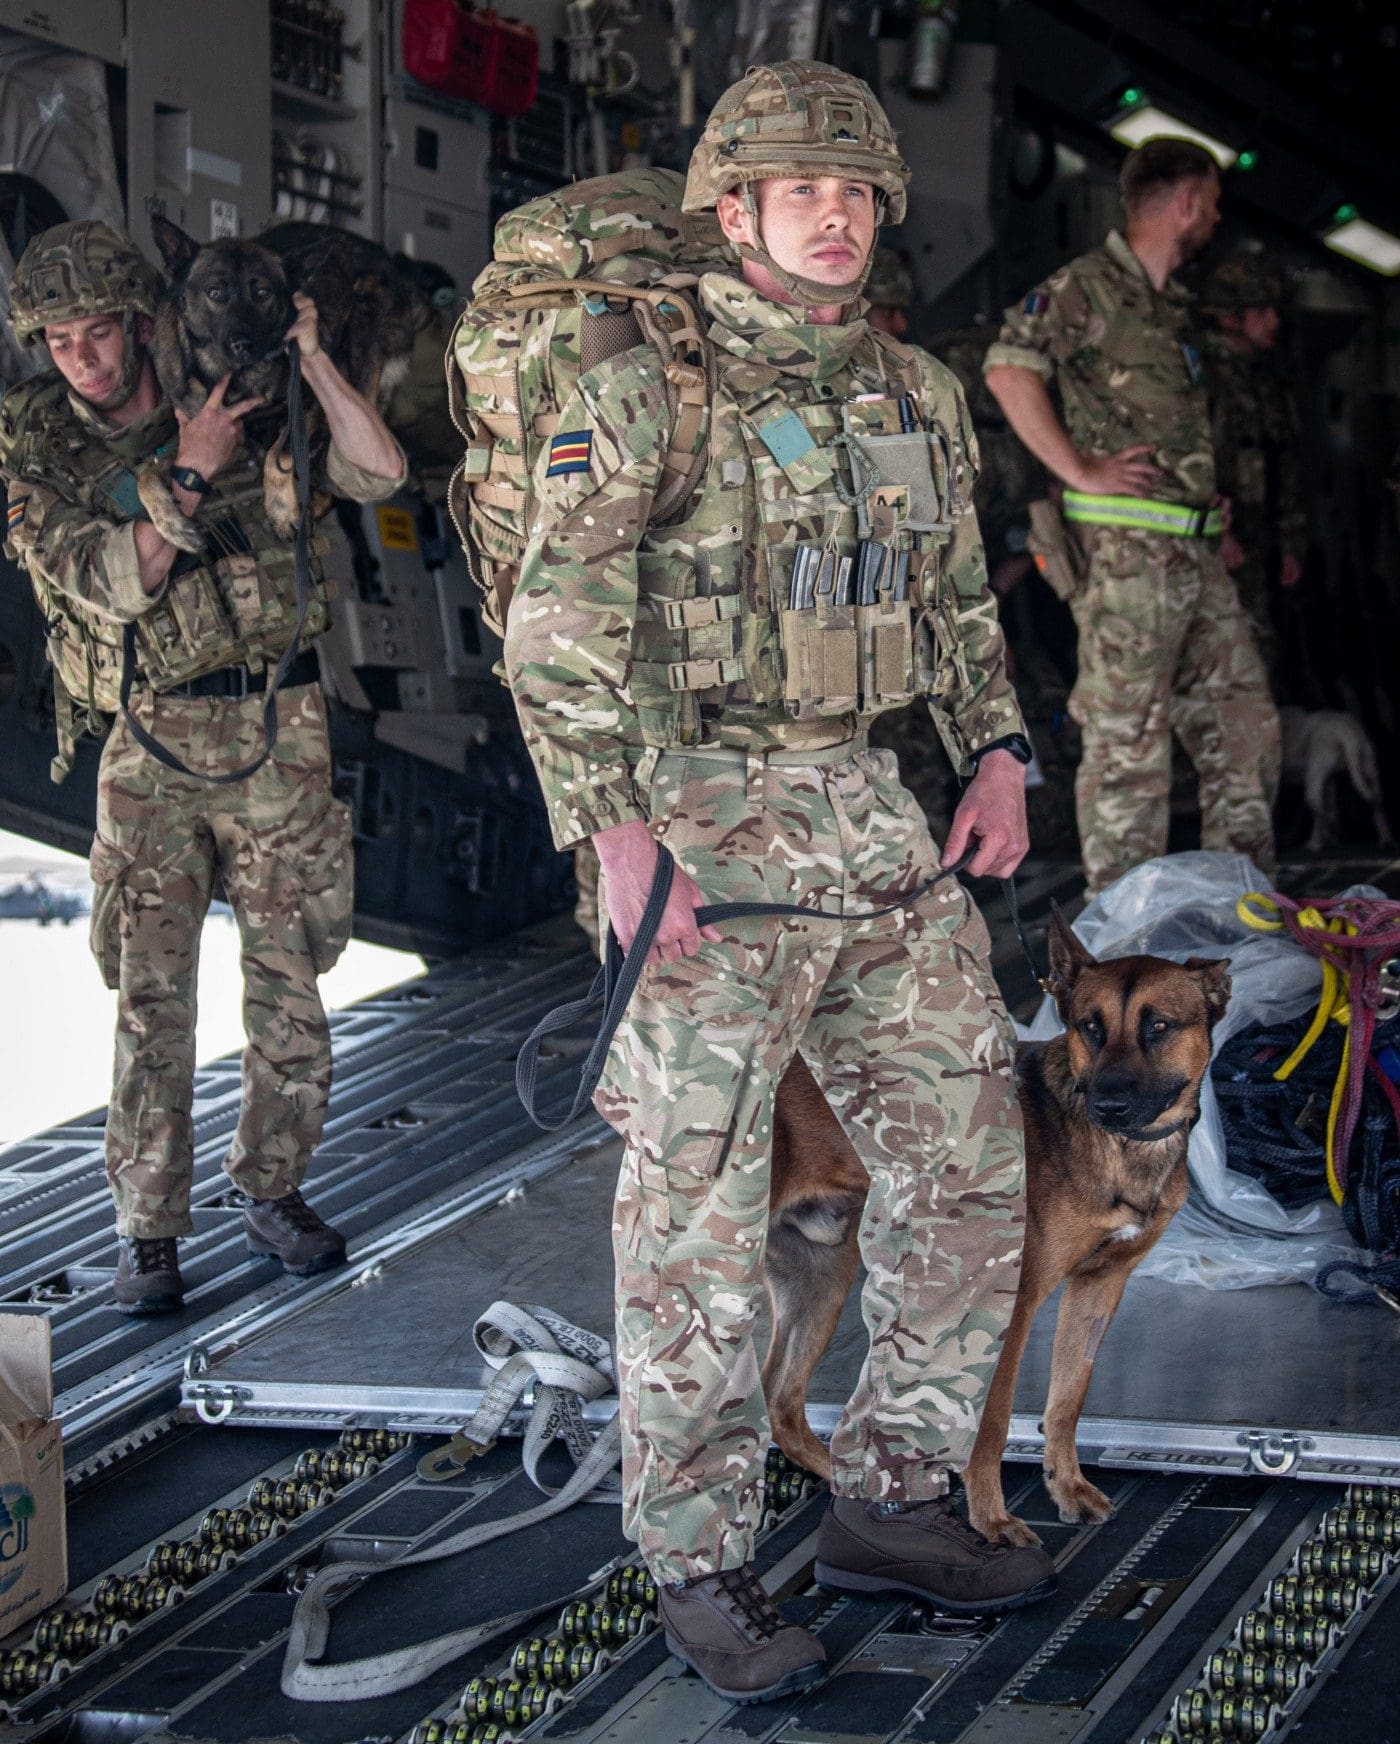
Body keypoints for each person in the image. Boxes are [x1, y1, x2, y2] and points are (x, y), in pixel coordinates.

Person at [503, 60, 1052, 1706]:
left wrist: (1003, 750)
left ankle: (889, 1494)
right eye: (794, 189)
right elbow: (555, 627)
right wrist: (612, 833)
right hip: (700, 821)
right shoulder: (648, 393)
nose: (832, 211)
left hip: (870, 812)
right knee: (698, 1213)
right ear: (730, 212)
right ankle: (699, 1555)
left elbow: (953, 594)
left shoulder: (917, 392)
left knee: (967, 1166)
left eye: (855, 188)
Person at [1, 220, 405, 1315]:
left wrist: (312, 358)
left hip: (279, 717)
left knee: (291, 981)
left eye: (98, 334)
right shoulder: (36, 446)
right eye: (60, 342)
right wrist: (189, 469)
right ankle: (148, 1230)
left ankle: (273, 1189)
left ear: (142, 324)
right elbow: (111, 580)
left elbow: (378, 471)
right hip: (154, 740)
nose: (83, 360)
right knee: (151, 996)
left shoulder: (249, 387)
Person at [983, 138, 1280, 894]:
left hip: (1195, 553)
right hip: (1127, 558)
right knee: (1129, 751)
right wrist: (1080, 470)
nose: (1214, 218)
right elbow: (1008, 365)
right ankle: (1124, 931)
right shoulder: (1087, 286)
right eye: (1211, 202)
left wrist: (1198, 494)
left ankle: (1238, 909)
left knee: (1244, 729)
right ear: (1185, 201)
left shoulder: (1169, 305)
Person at [1199, 252, 1306, 688]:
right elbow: (1182, 463)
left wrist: (1291, 542)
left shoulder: (1269, 384)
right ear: (1231, 317)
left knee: (1258, 659)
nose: (1273, 321)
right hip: (1212, 548)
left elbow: (1286, 468)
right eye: (1262, 310)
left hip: (1258, 546)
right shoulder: (1198, 378)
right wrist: (1213, 532)